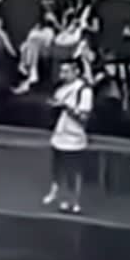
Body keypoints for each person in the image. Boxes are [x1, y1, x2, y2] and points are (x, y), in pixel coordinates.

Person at [42, 59, 93, 213]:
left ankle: (75, 202)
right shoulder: (60, 89)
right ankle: (62, 198)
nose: (62, 75)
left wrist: (65, 107)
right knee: (59, 169)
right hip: (59, 136)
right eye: (61, 71)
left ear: (76, 71)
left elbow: (84, 117)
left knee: (74, 171)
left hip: (75, 138)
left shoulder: (84, 90)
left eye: (66, 71)